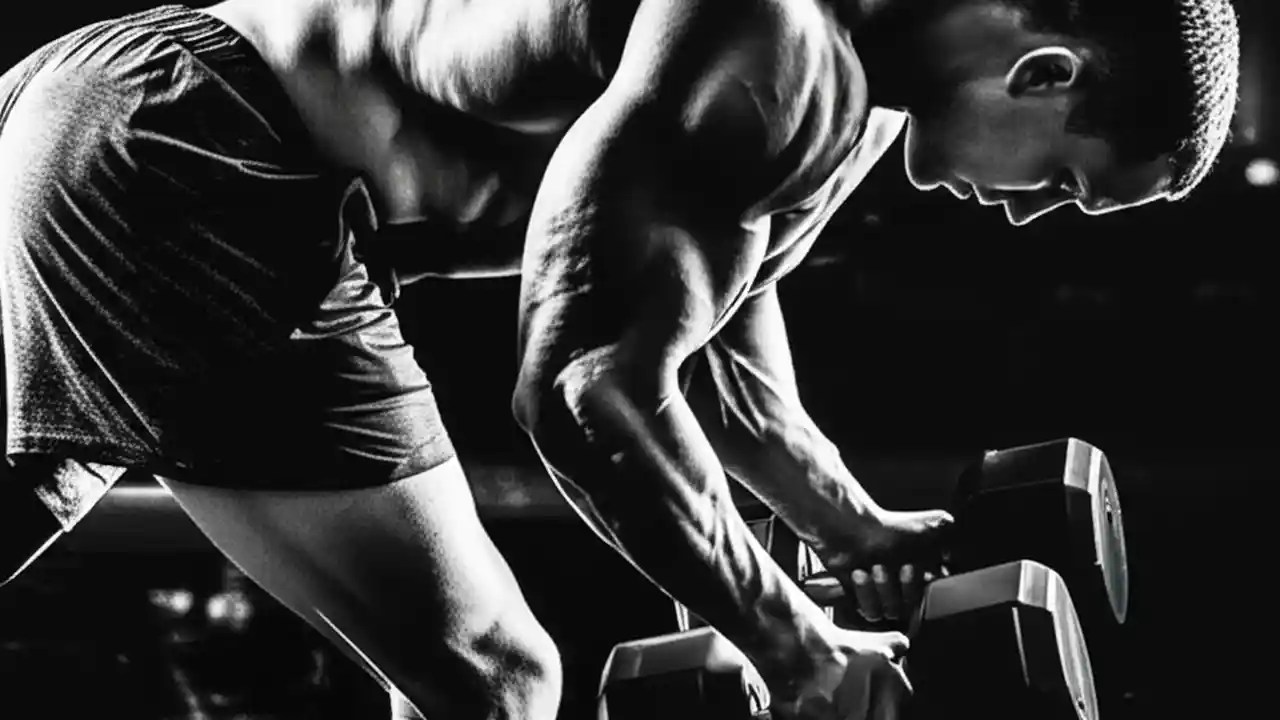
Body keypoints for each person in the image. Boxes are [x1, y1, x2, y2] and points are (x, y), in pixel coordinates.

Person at [0, 0, 1238, 718]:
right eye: (1062, 180)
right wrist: (795, 647)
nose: (1027, 216)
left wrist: (846, 524)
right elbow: (584, 388)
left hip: (119, 98)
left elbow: (705, 317)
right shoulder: (775, 46)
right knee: (495, 681)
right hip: (204, 162)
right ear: (1042, 72)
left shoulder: (846, 83)